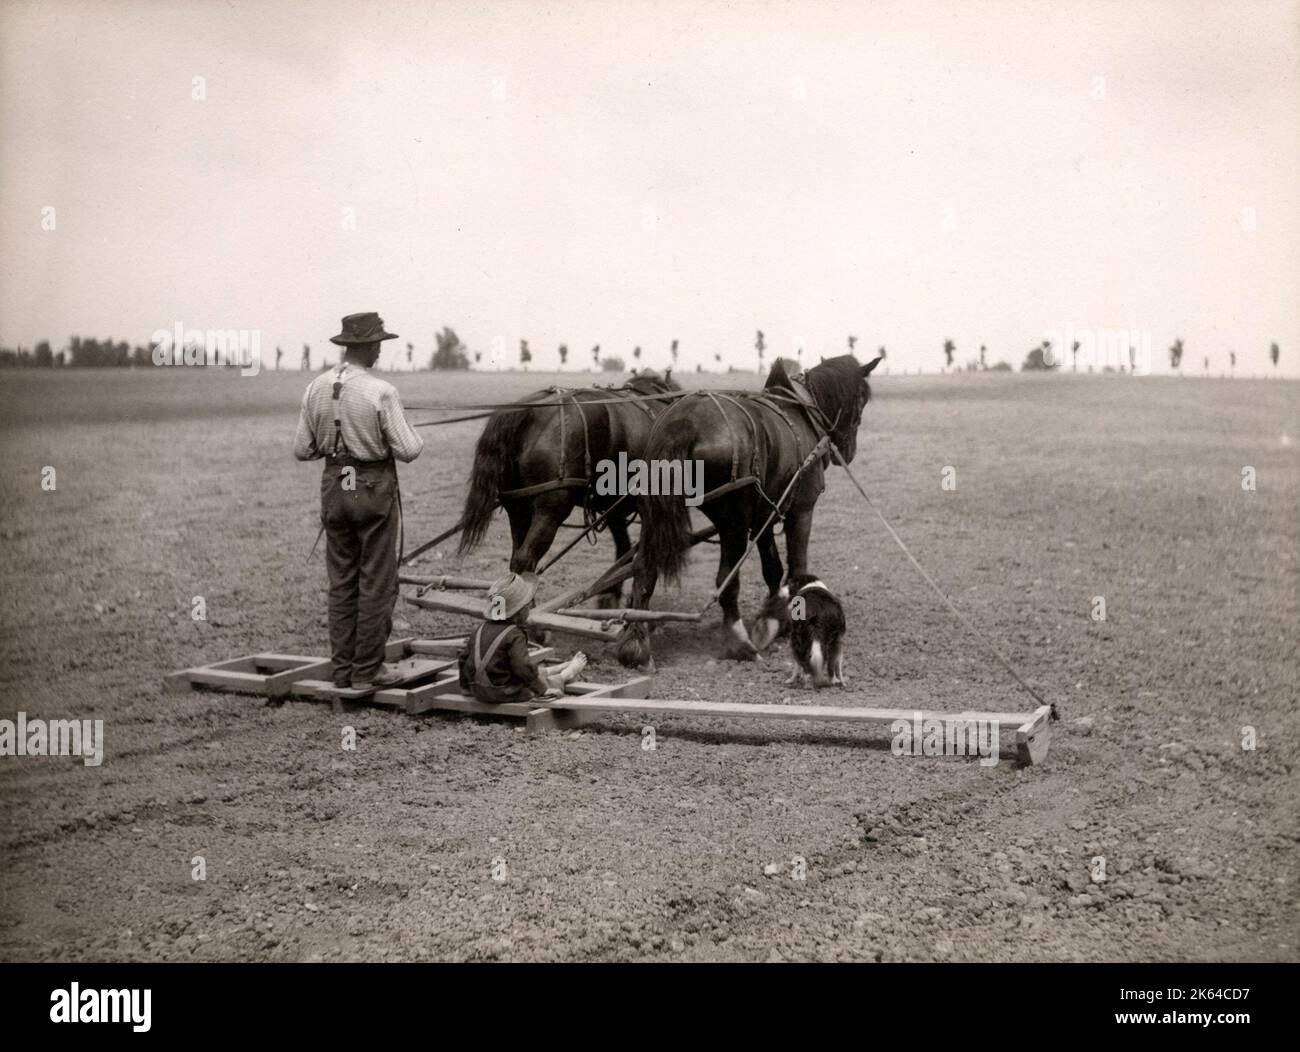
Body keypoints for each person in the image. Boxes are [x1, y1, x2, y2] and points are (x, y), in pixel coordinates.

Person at [293, 312, 424, 690]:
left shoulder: (314, 388)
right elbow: (409, 449)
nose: (380, 351)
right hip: (371, 488)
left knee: (342, 582)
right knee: (376, 581)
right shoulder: (381, 391)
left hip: (337, 486)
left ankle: (343, 670)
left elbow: (302, 449)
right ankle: (367, 671)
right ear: (368, 346)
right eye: (378, 344)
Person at [459, 572, 587, 703]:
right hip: (503, 692)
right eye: (528, 607)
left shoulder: (480, 629)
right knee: (537, 685)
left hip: (478, 690)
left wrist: (465, 687)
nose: (529, 610)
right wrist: (542, 690)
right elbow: (522, 667)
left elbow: (463, 659)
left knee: (527, 673)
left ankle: (555, 668)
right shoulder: (515, 634)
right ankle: (566, 674)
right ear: (520, 611)